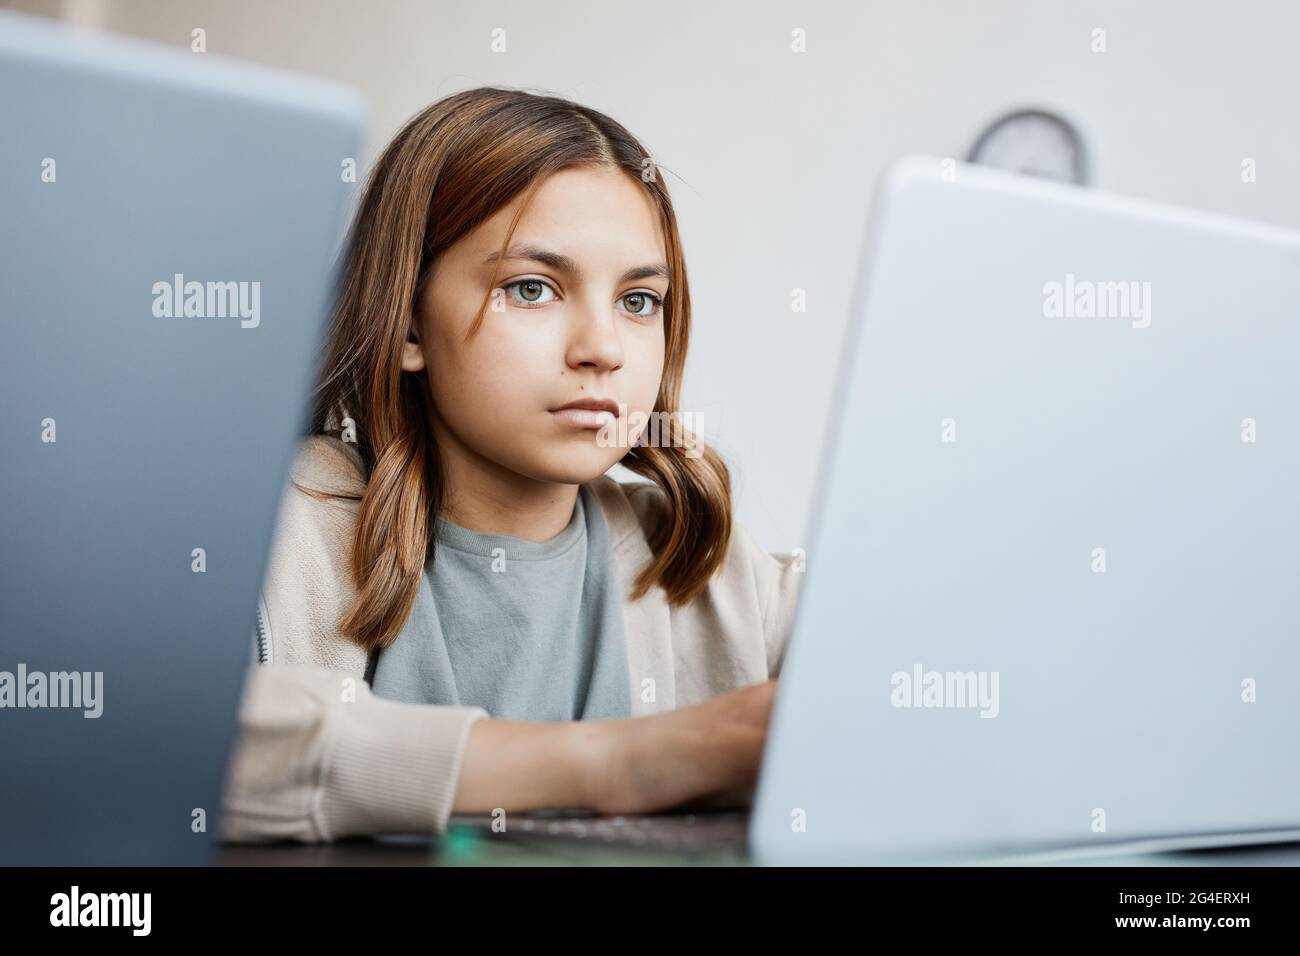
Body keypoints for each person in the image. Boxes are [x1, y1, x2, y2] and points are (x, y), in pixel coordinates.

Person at [219, 87, 803, 843]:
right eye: (532, 288)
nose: (603, 348)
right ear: (406, 323)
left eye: (639, 300)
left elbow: (916, 669)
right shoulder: (284, 523)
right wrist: (619, 762)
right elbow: (162, 734)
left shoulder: (700, 559)